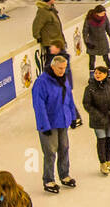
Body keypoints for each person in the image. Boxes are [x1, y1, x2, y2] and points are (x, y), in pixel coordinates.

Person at [32, 56, 78, 194]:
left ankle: (64, 175)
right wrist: (44, 126)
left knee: (64, 148)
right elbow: (39, 106)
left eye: (64, 68)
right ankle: (48, 180)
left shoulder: (64, 79)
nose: (62, 71)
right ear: (52, 67)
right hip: (49, 124)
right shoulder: (41, 82)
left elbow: (69, 98)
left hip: (62, 120)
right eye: (60, 68)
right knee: (50, 152)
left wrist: (73, 116)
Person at [31, 0, 66, 71]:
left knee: (59, 59)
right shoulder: (43, 11)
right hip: (50, 41)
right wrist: (37, 36)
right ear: (49, 0)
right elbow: (37, 25)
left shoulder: (50, 9)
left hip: (56, 39)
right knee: (51, 61)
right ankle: (48, 77)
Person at [83, 4, 110, 72]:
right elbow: (85, 32)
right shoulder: (89, 19)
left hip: (103, 42)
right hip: (92, 42)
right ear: (97, 13)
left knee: (106, 58)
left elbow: (108, 29)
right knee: (92, 60)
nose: (104, 14)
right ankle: (92, 75)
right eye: (103, 13)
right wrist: (87, 42)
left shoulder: (105, 18)